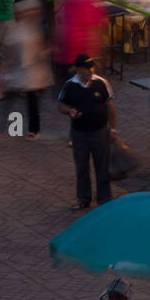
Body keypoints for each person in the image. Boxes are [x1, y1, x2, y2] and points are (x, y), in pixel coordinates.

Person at [58, 55, 116, 209]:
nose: (90, 70)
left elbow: (110, 107)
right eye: (86, 68)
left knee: (102, 165)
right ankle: (84, 198)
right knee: (82, 166)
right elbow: (60, 105)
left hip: (100, 131)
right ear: (77, 69)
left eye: (91, 67)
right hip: (79, 133)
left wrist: (113, 128)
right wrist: (69, 111)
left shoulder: (101, 83)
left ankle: (104, 198)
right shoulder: (70, 86)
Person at [3, 0, 52, 140]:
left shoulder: (35, 29)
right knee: (20, 101)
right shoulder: (19, 28)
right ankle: (13, 128)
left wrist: (45, 53)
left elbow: (39, 49)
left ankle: (32, 130)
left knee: (31, 102)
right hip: (22, 70)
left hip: (32, 72)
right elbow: (11, 49)